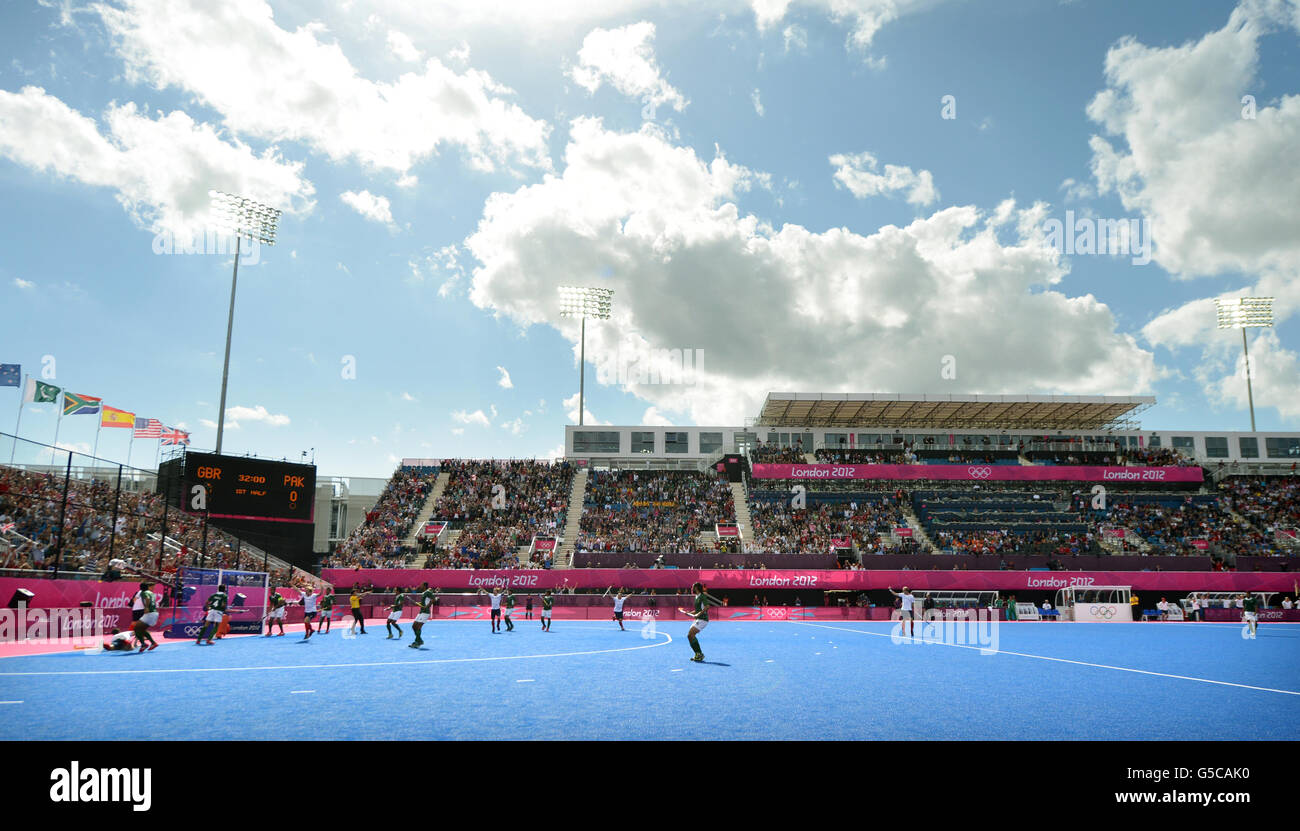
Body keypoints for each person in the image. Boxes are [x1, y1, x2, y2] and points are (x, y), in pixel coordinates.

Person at [680, 582, 723, 663]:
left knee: (690, 634)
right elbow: (697, 610)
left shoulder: (702, 596)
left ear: (696, 588)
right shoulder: (696, 597)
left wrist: (699, 614)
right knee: (690, 636)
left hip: (703, 619)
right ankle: (698, 654)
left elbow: (707, 606)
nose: (691, 588)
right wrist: (689, 612)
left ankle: (699, 654)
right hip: (698, 619)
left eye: (692, 587)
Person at [132, 581, 159, 652]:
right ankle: (152, 643)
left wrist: (146, 607)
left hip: (149, 613)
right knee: (141, 629)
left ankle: (145, 644)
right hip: (154, 613)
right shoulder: (152, 593)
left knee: (136, 628)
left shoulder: (144, 592)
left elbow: (147, 598)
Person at [410, 582, 435, 649]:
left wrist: (427, 606)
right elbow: (424, 602)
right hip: (421, 612)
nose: (420, 586)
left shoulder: (428, 592)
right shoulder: (424, 593)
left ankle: (417, 642)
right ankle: (419, 640)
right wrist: (419, 603)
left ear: (424, 586)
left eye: (421, 585)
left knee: (418, 627)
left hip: (425, 612)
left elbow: (433, 599)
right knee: (414, 626)